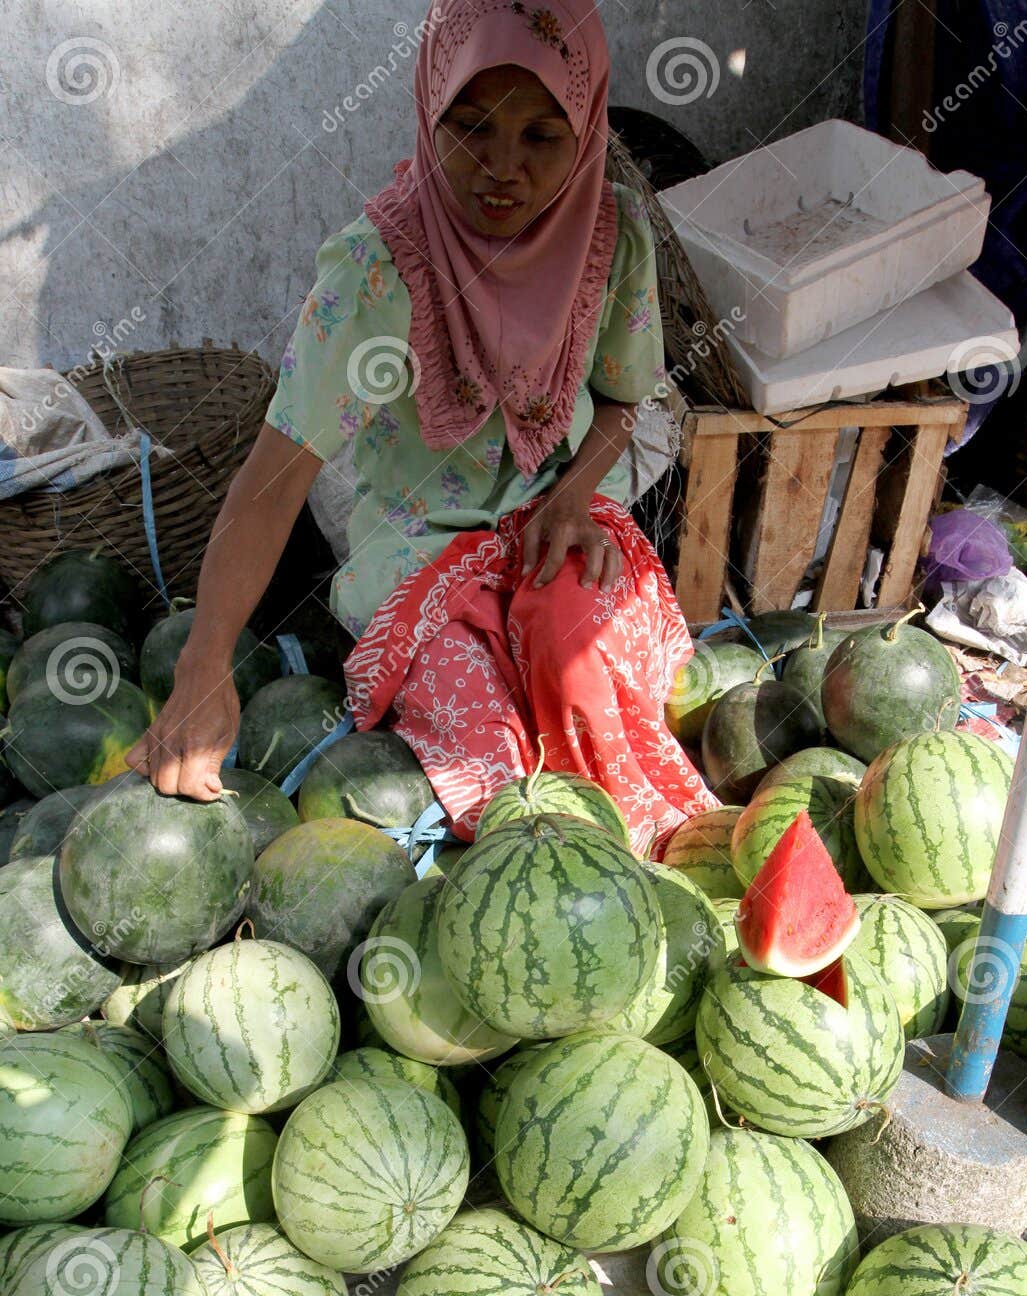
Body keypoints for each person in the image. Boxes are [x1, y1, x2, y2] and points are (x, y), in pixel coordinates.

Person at [127, 0, 709, 853]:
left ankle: (655, 869)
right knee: (498, 785)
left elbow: (625, 402)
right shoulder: (376, 268)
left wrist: (575, 495)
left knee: (588, 698)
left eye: (541, 138)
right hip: (423, 555)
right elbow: (273, 480)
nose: (501, 169)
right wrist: (203, 666)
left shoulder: (612, 236)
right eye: (470, 129)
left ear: (585, 128)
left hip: (563, 530)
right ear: (428, 106)